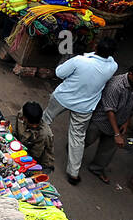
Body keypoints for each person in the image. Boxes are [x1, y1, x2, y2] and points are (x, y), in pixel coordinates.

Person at [46, 38, 118, 185]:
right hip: (85, 106)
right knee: (77, 138)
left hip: (64, 97)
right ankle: (73, 173)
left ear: (96, 46)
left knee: (46, 120)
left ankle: (32, 144)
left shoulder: (80, 60)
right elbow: (108, 58)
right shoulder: (112, 66)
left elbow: (59, 73)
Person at [83, 63, 133, 183]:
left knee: (108, 150)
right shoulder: (116, 85)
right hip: (101, 120)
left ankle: (97, 169)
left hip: (119, 122)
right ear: (131, 75)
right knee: (86, 140)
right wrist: (117, 134)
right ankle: (72, 157)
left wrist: (126, 122)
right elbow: (109, 110)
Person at [11, 101, 54, 171]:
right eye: (32, 123)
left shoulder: (43, 134)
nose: (34, 126)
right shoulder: (21, 114)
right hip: (23, 146)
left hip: (40, 160)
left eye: (36, 123)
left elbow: (35, 155)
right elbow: (16, 129)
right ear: (24, 118)